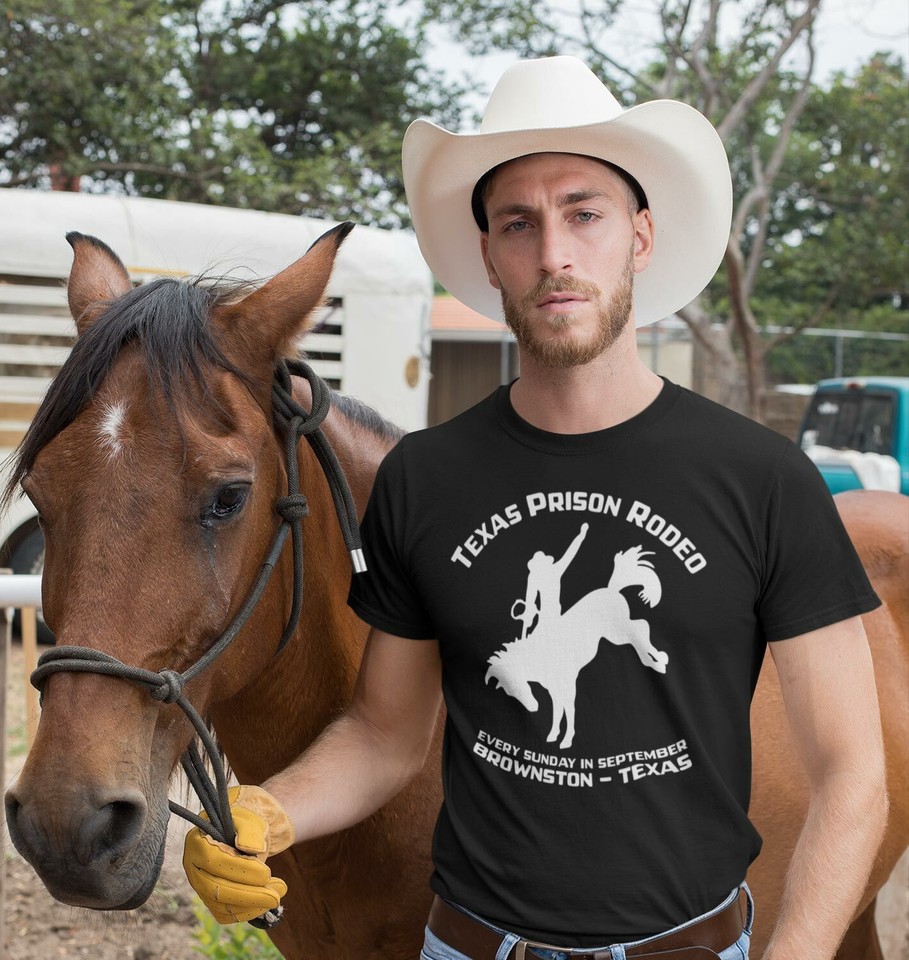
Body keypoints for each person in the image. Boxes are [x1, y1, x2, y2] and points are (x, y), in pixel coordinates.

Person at [183, 56, 887, 959]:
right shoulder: (425, 478)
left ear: (639, 236)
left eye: (583, 214)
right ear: (489, 256)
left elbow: (851, 775)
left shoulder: (763, 479)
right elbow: (384, 736)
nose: (554, 253)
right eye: (519, 223)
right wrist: (270, 809)